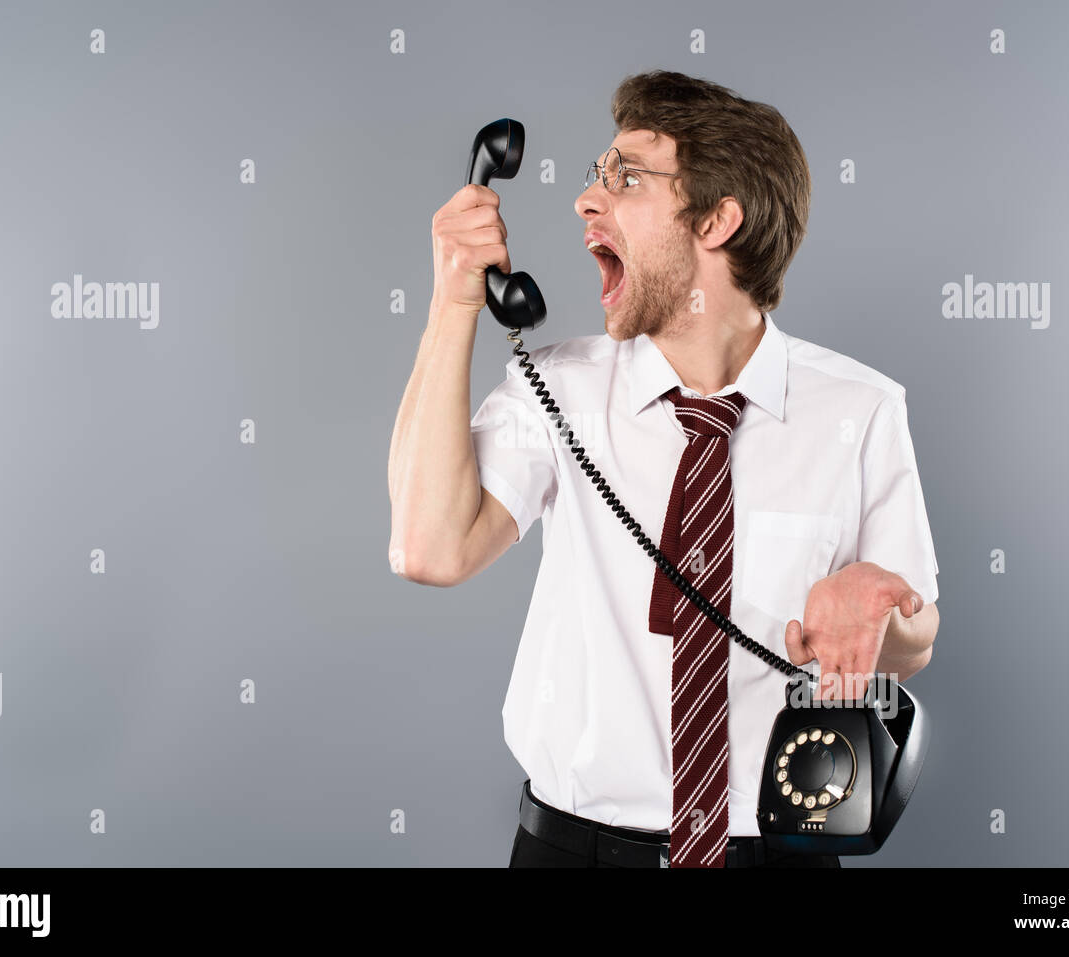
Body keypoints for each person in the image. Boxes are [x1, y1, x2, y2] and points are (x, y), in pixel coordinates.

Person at [387, 70, 940, 868]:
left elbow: (915, 640)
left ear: (717, 220)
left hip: (776, 850)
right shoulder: (557, 389)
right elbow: (428, 549)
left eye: (627, 178)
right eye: (595, 176)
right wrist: (454, 305)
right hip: (574, 852)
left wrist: (884, 609)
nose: (586, 200)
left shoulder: (863, 409)